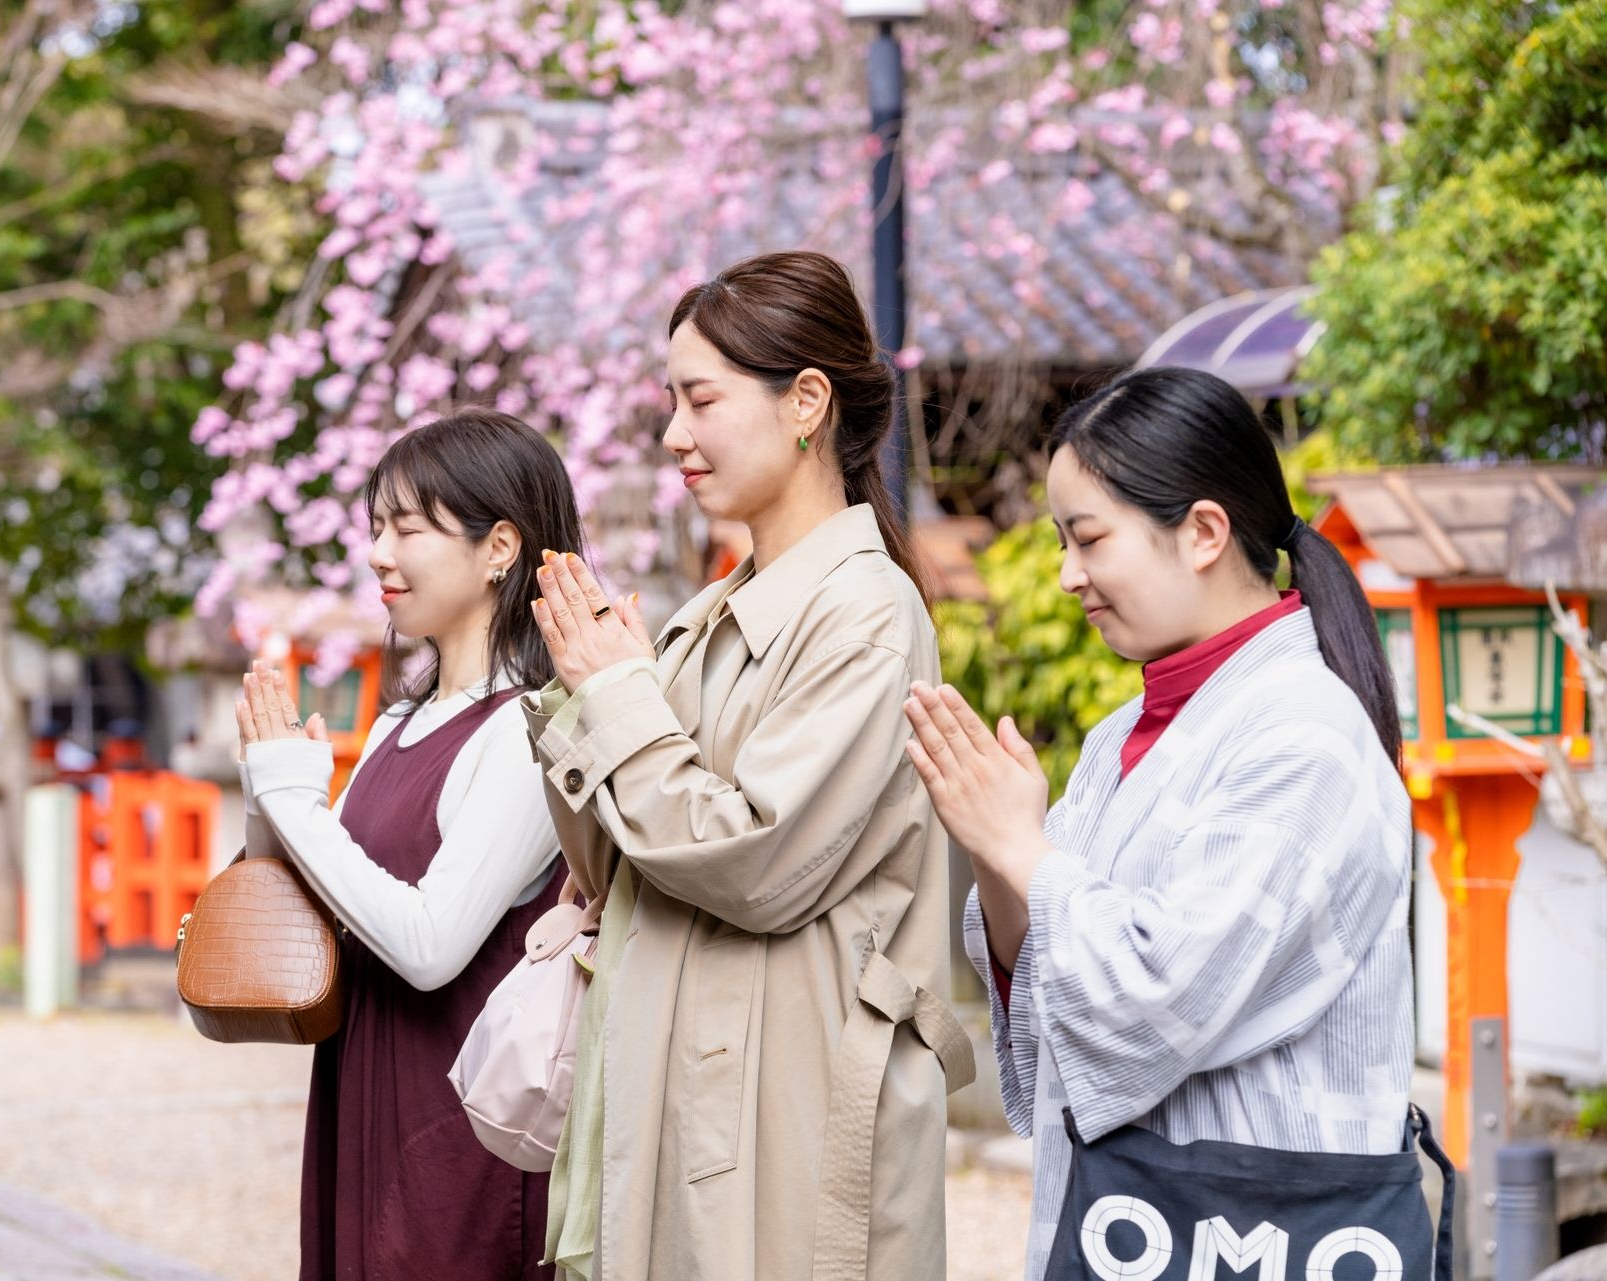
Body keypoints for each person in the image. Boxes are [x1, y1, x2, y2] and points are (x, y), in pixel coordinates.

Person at [903, 366, 1414, 1280]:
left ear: (1204, 531)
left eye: (1088, 539)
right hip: (1141, 1215)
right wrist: (994, 851)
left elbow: (1155, 998)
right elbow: (1051, 1002)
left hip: (1255, 1218)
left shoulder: (1306, 737)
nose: (1068, 576)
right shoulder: (1115, 740)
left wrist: (1026, 847)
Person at [521, 250, 973, 1281]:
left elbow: (750, 862)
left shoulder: (867, 611)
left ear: (806, 401)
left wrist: (620, 698)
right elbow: (610, 866)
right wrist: (584, 688)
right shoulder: (704, 616)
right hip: (688, 1078)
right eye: (670, 401)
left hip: (790, 1101)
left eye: (702, 399)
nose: (674, 434)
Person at [235, 408, 584, 1281]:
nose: (378, 555)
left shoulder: (528, 729)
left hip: (459, 1134)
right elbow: (317, 905)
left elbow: (430, 946)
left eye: (408, 528)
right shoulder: (401, 719)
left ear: (499, 546)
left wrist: (294, 795)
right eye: (374, 528)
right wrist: (268, 794)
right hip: (365, 1097)